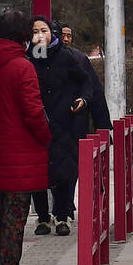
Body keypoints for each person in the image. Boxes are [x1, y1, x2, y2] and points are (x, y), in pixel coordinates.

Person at [0, 8, 52, 265]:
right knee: (16, 214)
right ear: (22, 37)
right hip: (20, 154)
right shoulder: (23, 67)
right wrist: (46, 136)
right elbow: (34, 113)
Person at [28, 17, 93, 236]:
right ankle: (43, 218)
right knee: (38, 173)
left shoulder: (66, 56)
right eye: (35, 31)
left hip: (65, 122)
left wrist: (83, 99)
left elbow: (86, 82)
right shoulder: (28, 58)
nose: (39, 35)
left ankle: (63, 216)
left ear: (51, 33)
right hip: (37, 125)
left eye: (43, 30)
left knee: (65, 173)